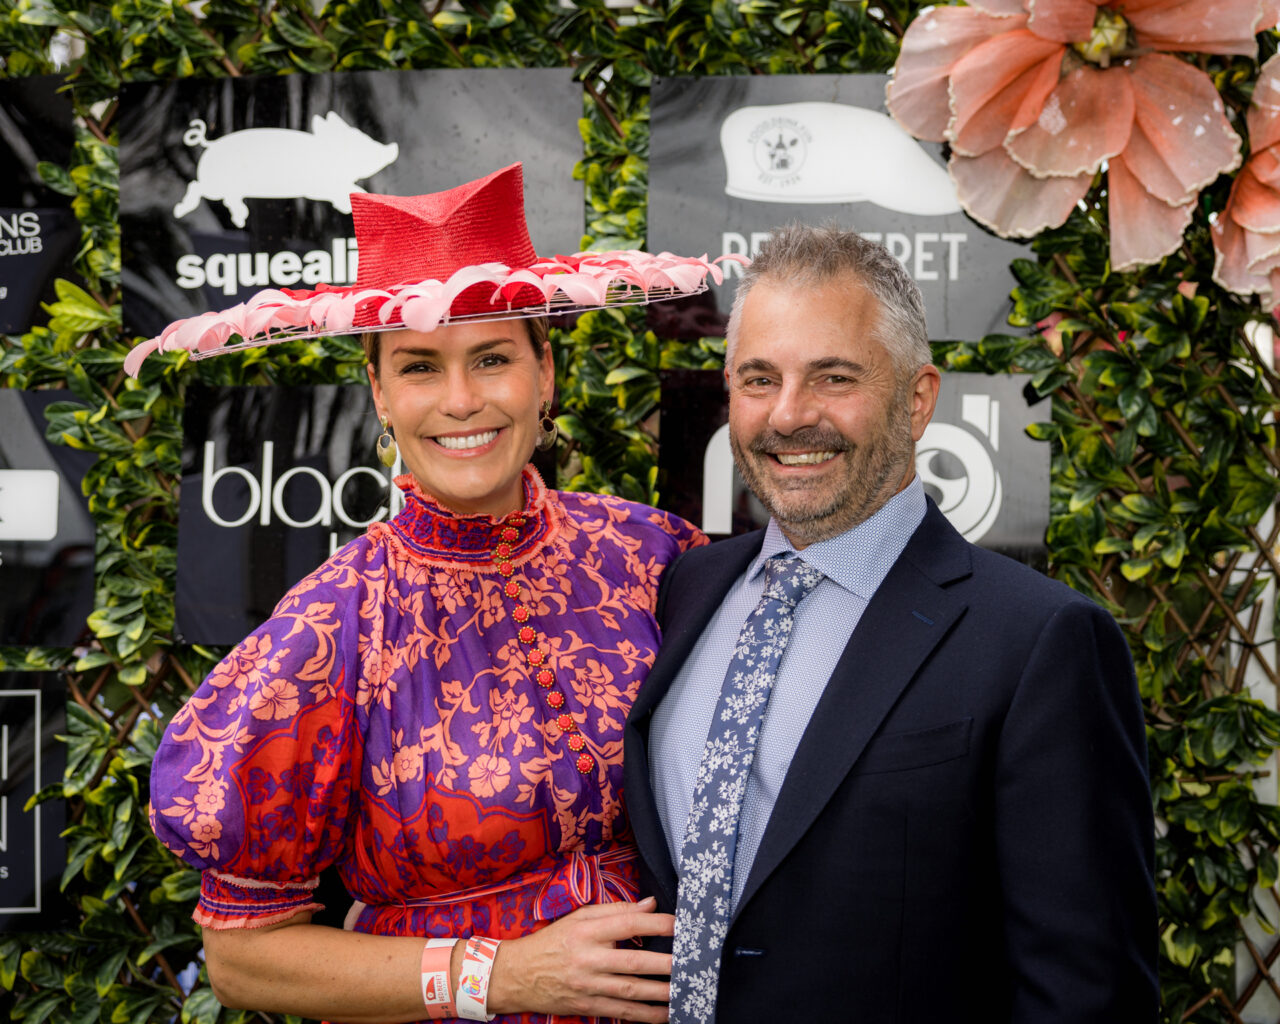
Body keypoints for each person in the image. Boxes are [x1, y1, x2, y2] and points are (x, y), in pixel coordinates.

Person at [139, 163, 736, 1023]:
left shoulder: (646, 552)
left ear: (546, 373)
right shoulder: (328, 631)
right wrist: (503, 975)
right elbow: (243, 961)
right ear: (380, 392)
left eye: (492, 357)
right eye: (421, 367)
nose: (462, 402)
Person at [622, 223, 1159, 1022]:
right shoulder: (682, 590)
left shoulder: (1040, 642)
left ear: (917, 398)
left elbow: (1088, 993)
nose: (790, 415)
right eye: (759, 379)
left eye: (834, 377)